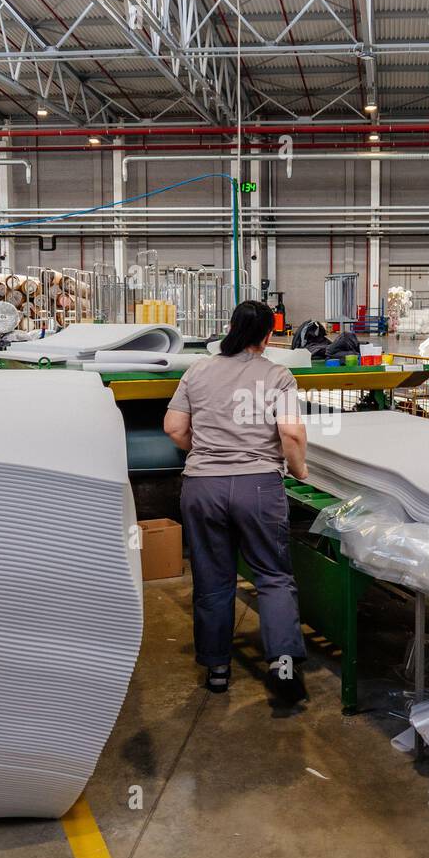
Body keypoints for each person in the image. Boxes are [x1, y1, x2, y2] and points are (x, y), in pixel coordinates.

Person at [163, 300, 310, 705]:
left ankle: (217, 670)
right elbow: (292, 436)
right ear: (267, 336)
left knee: (213, 580)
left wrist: (206, 452)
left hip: (202, 489)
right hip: (258, 488)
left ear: (229, 328)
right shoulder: (278, 375)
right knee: (273, 576)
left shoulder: (198, 370)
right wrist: (299, 471)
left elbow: (174, 428)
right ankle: (283, 668)